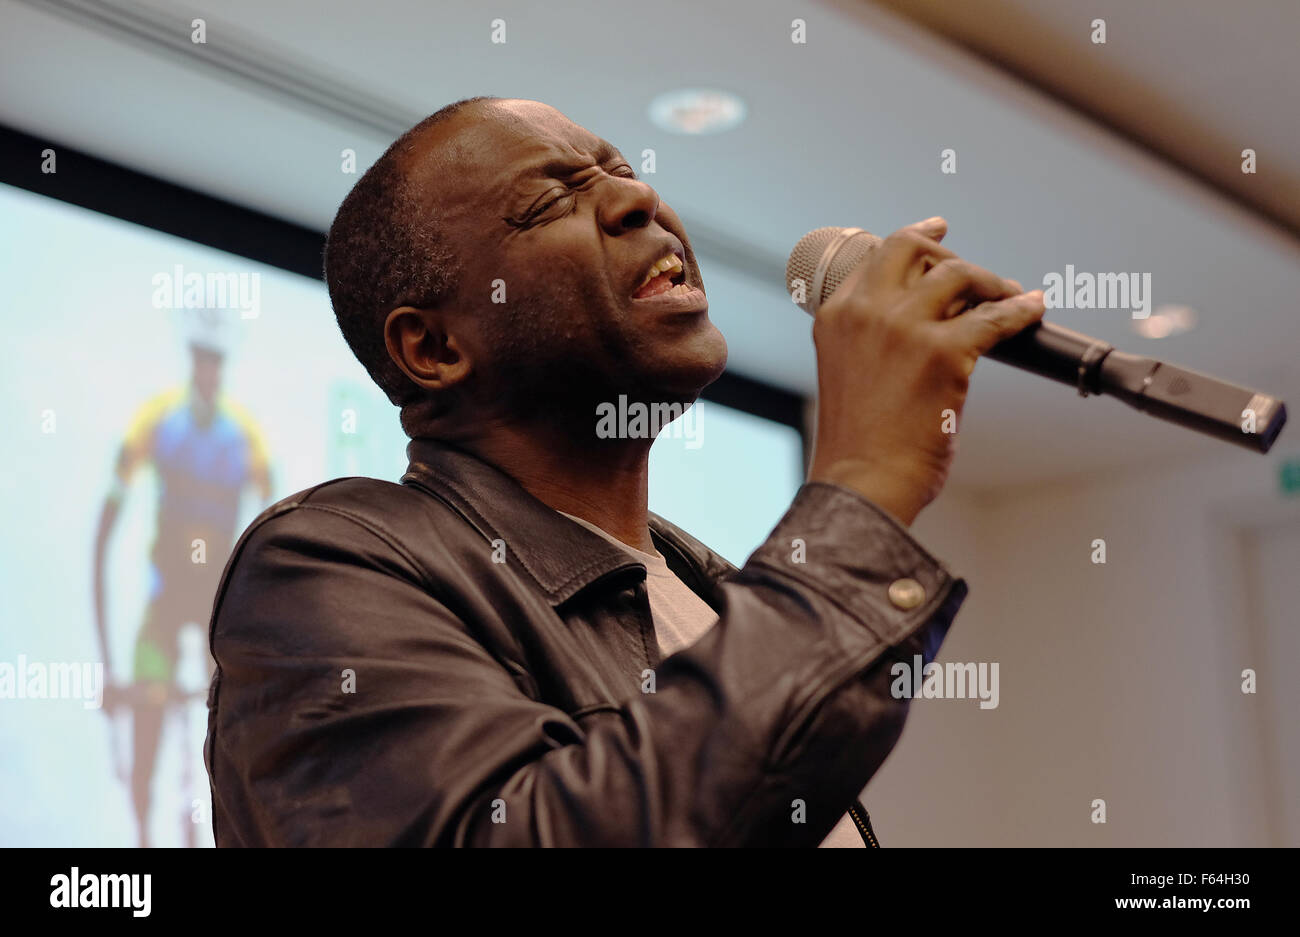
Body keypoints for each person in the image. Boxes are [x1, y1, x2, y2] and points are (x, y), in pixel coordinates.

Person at [203, 96, 1045, 847]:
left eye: (624, 170)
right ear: (434, 347)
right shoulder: (323, 567)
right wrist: (862, 485)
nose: (639, 197)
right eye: (551, 199)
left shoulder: (710, 592)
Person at [95, 308, 272, 847]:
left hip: (216, 607)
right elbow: (102, 536)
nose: (208, 371)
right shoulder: (156, 421)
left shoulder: (244, 436)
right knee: (149, 726)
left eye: (216, 360)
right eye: (202, 358)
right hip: (167, 601)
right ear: (191, 361)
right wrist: (107, 665)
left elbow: (275, 538)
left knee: (229, 740)